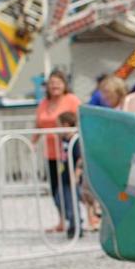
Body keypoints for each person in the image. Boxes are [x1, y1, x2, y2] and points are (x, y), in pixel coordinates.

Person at [34, 69, 81, 233]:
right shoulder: (44, 103)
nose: (54, 86)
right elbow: (38, 124)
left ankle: (77, 218)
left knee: (70, 186)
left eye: (58, 83)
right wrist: (32, 142)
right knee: (55, 188)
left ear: (64, 84)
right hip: (51, 151)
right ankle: (63, 219)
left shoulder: (72, 100)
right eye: (52, 83)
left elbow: (80, 121)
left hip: (69, 151)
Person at [55, 110, 89, 235]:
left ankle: (76, 226)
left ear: (66, 125)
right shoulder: (65, 139)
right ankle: (74, 222)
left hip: (72, 177)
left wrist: (77, 174)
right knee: (60, 199)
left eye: (58, 125)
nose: (56, 128)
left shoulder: (76, 140)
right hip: (64, 176)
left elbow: (80, 159)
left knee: (72, 202)